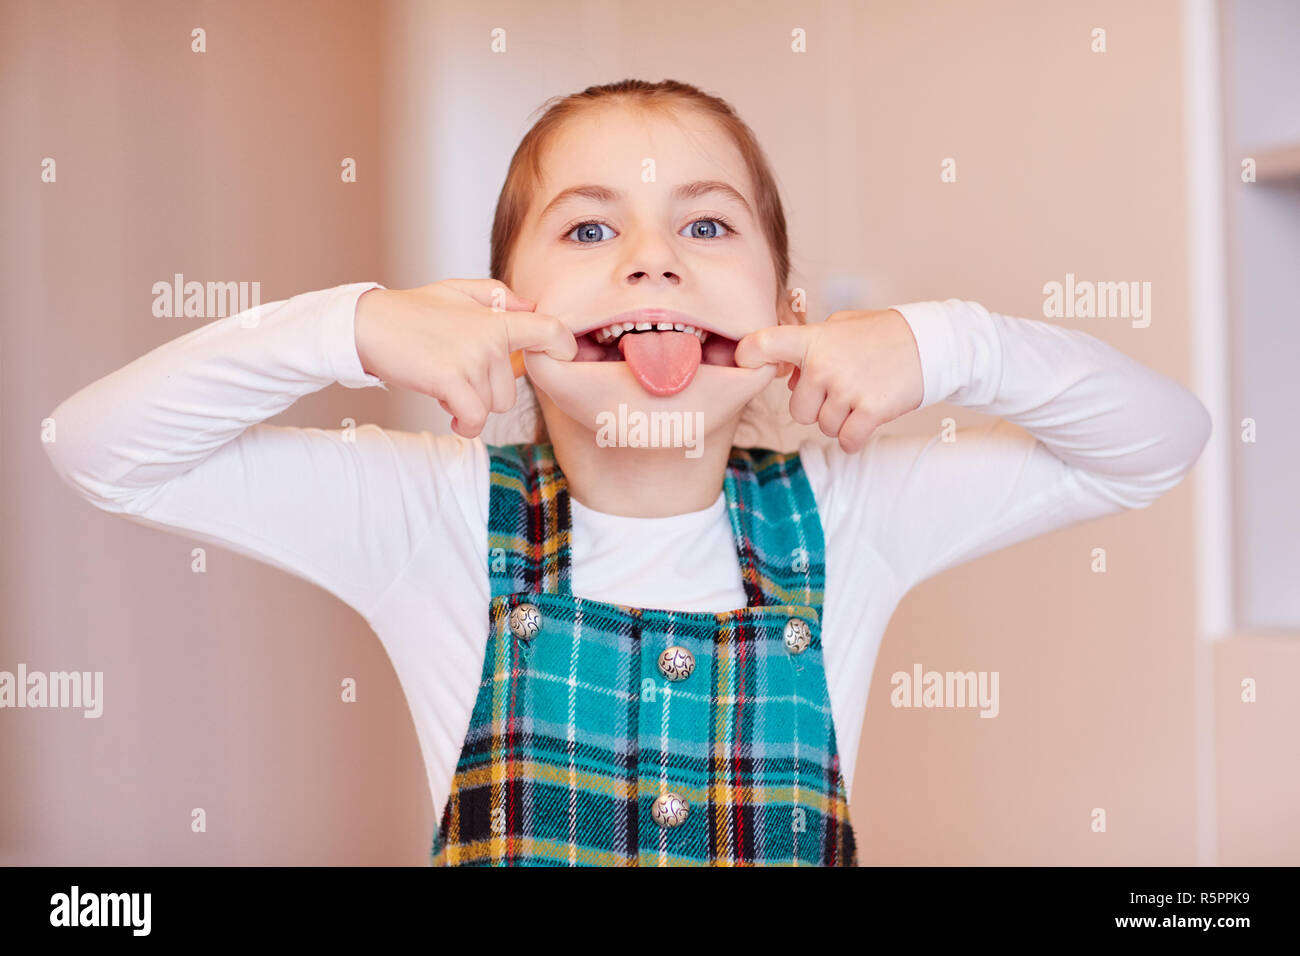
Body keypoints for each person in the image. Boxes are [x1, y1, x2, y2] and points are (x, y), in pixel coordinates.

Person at [42, 79, 1212, 866]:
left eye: (706, 227)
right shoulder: (432, 514)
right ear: (502, 309)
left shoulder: (851, 514)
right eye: (591, 231)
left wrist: (944, 343)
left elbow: (1157, 442)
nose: (653, 261)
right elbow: (100, 449)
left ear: (788, 309)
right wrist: (353, 329)